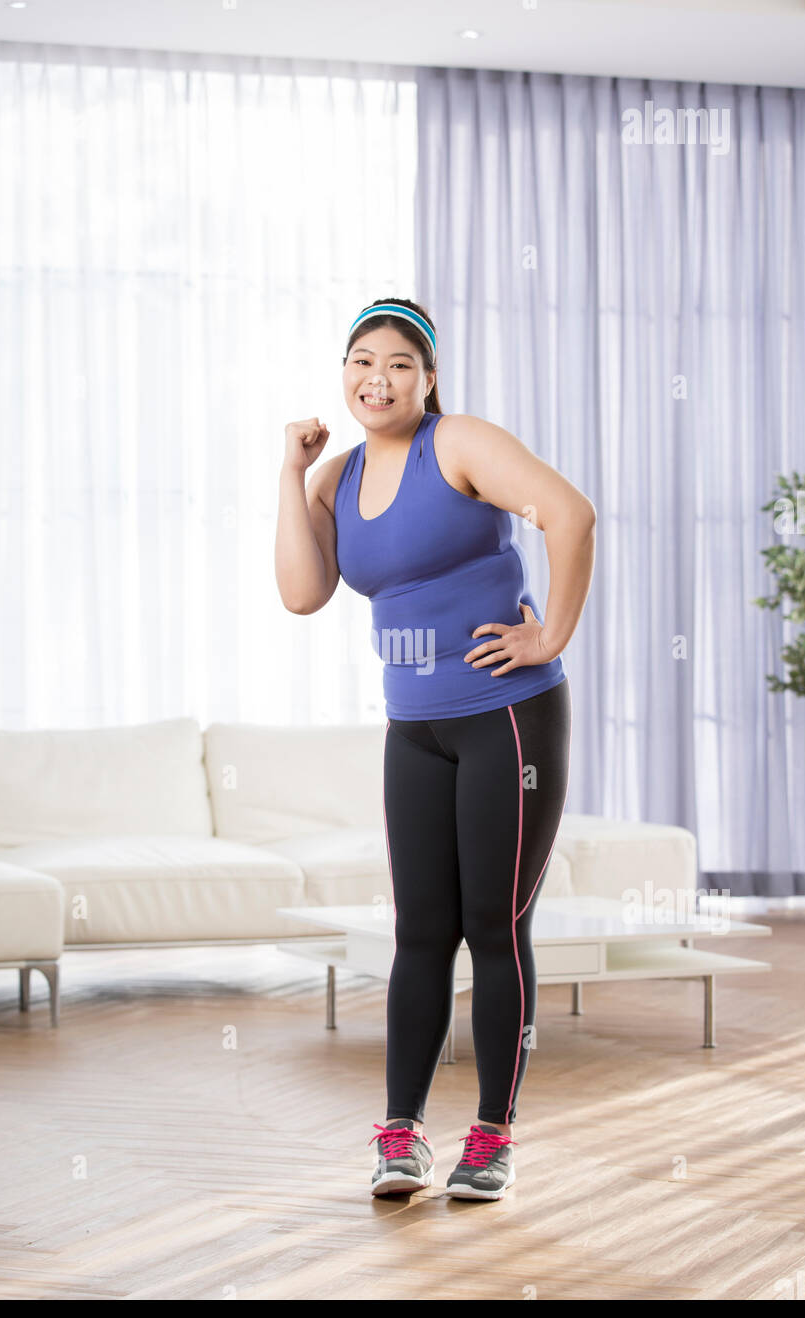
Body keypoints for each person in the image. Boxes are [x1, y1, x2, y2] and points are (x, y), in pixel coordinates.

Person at [275, 298, 596, 1200]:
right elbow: (302, 594)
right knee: (419, 932)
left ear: (429, 378)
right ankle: (401, 1135)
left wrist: (550, 636)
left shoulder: (457, 445)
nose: (379, 379)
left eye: (400, 365)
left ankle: (492, 1137)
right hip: (412, 730)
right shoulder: (334, 479)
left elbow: (569, 516)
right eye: (362, 362)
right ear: (344, 374)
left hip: (507, 718)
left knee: (494, 929)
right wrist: (289, 474)